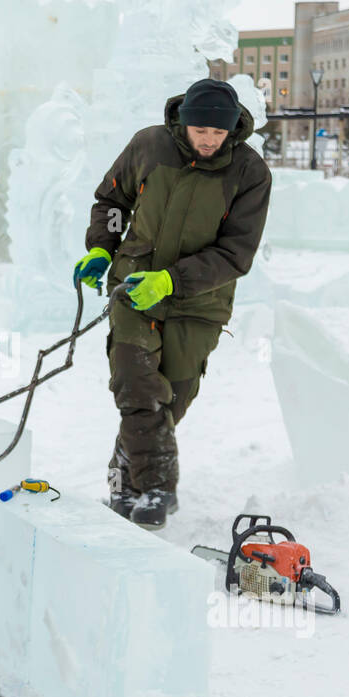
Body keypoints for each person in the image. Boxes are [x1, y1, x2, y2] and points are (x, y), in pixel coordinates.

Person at [72, 78, 272, 530]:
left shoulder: (250, 172)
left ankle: (124, 477)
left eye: (218, 134)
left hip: (199, 302)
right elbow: (112, 200)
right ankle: (156, 488)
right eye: (201, 130)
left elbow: (236, 254)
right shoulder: (148, 145)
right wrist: (102, 248)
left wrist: (172, 280)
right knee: (137, 385)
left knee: (170, 403)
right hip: (133, 289)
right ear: (184, 122)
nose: (208, 140)